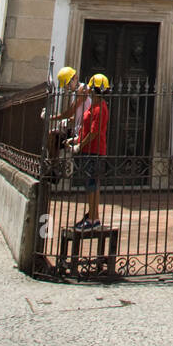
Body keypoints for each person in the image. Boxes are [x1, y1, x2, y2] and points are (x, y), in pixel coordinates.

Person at [70, 73, 110, 231]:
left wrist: (80, 145)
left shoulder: (100, 108)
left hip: (95, 150)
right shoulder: (94, 106)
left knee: (92, 184)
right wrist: (76, 140)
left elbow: (94, 132)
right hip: (89, 149)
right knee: (90, 184)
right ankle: (92, 215)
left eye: (92, 89)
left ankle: (93, 219)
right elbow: (87, 129)